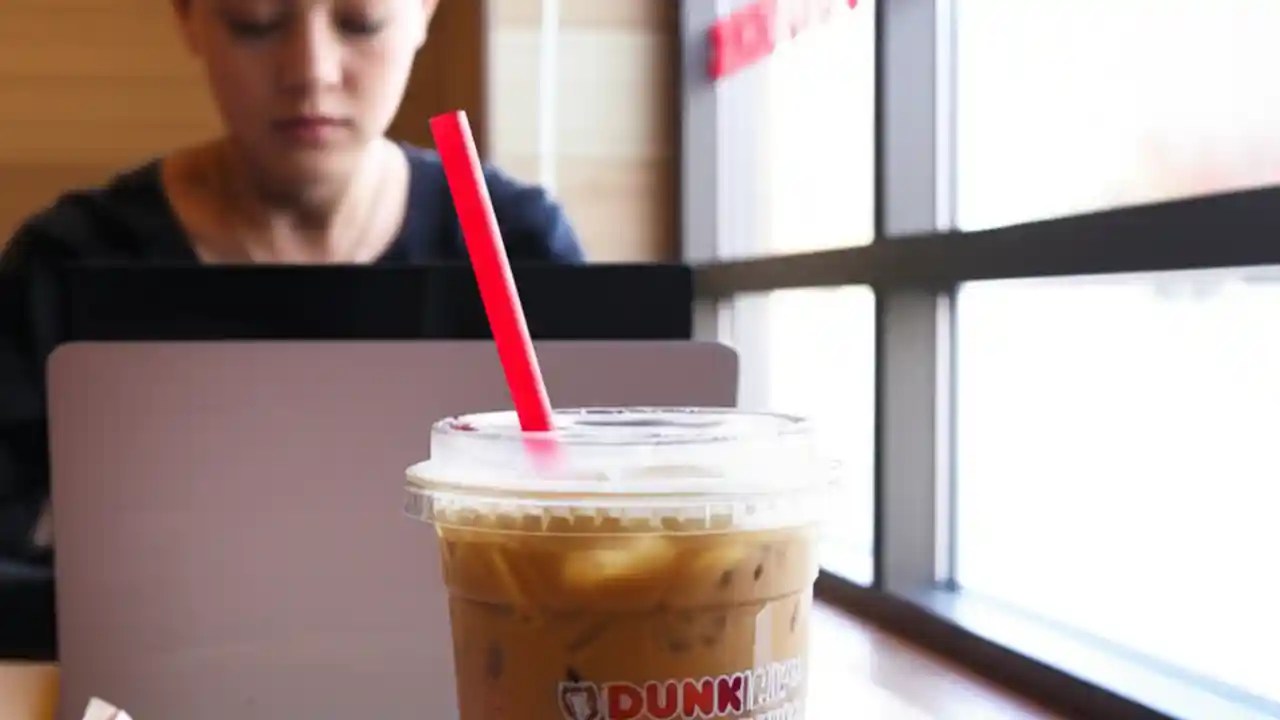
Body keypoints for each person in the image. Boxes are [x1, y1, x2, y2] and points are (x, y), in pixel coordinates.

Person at [0, 0, 585, 563]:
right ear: (187, 16)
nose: (311, 72)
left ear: (424, 12)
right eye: (255, 25)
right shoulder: (72, 263)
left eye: (361, 23)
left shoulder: (518, 249)